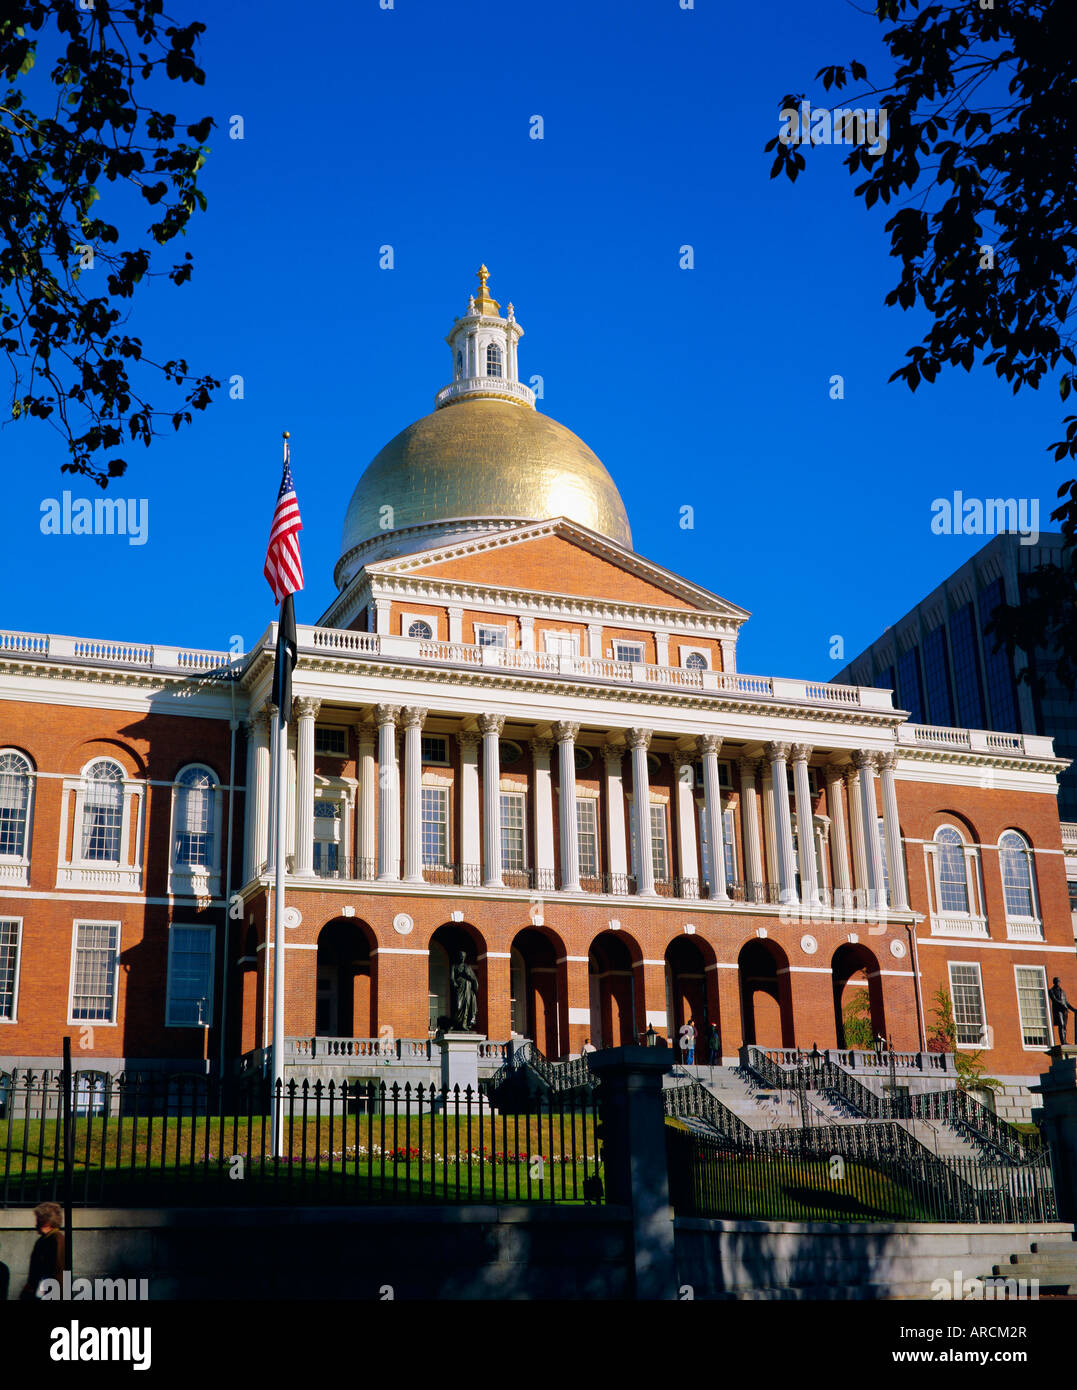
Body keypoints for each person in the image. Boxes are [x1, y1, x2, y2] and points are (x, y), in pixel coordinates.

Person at [20, 1202, 64, 1301]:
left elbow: (57, 1270)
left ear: (46, 1221)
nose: (36, 1224)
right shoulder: (44, 1239)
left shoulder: (56, 1240)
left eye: (38, 1220)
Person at [1049, 978, 1076, 1045]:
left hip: (1064, 1010)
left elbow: (1066, 1002)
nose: (1057, 983)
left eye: (1058, 981)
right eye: (1056, 981)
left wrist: (1073, 1009)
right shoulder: (1051, 991)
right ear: (1054, 982)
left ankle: (1064, 1041)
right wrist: (1062, 1004)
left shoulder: (1062, 991)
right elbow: (1054, 1000)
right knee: (1061, 1024)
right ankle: (1063, 1042)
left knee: (1064, 1026)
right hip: (1058, 1010)